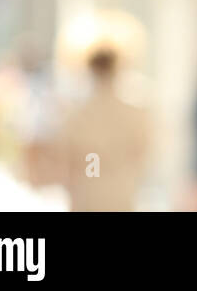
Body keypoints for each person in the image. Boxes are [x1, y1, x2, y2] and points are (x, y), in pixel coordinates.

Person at [55, 43, 151, 211]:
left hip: (86, 195)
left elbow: (67, 160)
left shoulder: (77, 114)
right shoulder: (134, 113)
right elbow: (142, 153)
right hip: (121, 194)